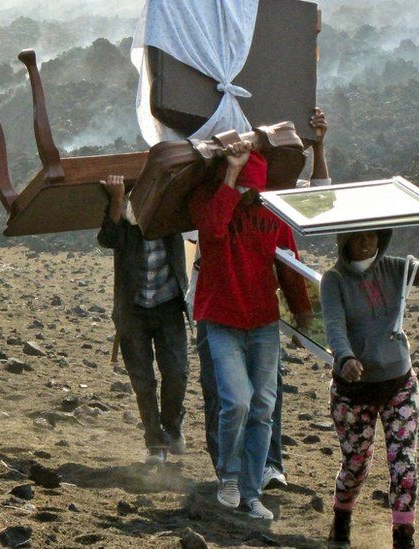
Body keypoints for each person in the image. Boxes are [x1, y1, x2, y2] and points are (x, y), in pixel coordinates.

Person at [194, 108, 332, 490]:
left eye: (256, 191)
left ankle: (266, 467)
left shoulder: (272, 210)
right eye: (246, 191)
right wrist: (232, 176)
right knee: (225, 397)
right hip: (217, 314)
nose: (251, 197)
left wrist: (304, 318)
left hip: (260, 317)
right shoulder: (210, 199)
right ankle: (228, 471)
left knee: (266, 399)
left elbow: (290, 261)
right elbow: (212, 230)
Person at [320, 221, 419, 549]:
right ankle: (341, 520)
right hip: (353, 391)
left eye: (372, 235)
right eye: (358, 236)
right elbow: (334, 326)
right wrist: (345, 358)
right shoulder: (333, 280)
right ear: (345, 241)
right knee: (356, 464)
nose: (367, 242)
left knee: (403, 464)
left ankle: (403, 539)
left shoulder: (396, 268)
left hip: (399, 385)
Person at [98, 174, 189, 465]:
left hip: (168, 304)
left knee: (176, 372)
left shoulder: (169, 215)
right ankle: (155, 442)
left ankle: (172, 424)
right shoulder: (123, 219)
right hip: (132, 309)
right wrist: (116, 199)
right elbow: (107, 238)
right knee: (143, 381)